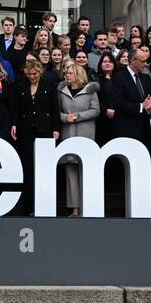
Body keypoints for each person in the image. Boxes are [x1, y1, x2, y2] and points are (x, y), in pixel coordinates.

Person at [58, 61, 101, 217]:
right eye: (66, 73)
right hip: (68, 134)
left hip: (86, 134)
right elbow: (56, 112)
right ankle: (75, 208)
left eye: (69, 73)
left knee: (86, 171)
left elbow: (96, 111)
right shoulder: (61, 91)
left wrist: (78, 116)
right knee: (70, 173)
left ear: (78, 75)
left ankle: (87, 206)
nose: (66, 75)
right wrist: (64, 117)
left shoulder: (90, 91)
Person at [14, 58, 59, 206]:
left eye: (34, 74)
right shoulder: (21, 85)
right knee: (27, 165)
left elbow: (54, 108)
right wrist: (14, 124)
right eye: (29, 74)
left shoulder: (49, 85)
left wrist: (56, 128)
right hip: (26, 129)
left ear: (40, 72)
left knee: (43, 166)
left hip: (44, 129)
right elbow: (17, 108)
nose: (32, 76)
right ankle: (28, 203)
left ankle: (44, 202)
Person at [110, 43, 151, 142]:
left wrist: (150, 106)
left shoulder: (145, 77)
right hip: (126, 128)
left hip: (145, 128)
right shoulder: (119, 77)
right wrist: (141, 106)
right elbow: (118, 103)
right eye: (143, 61)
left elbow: (150, 97)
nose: (145, 64)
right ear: (133, 61)